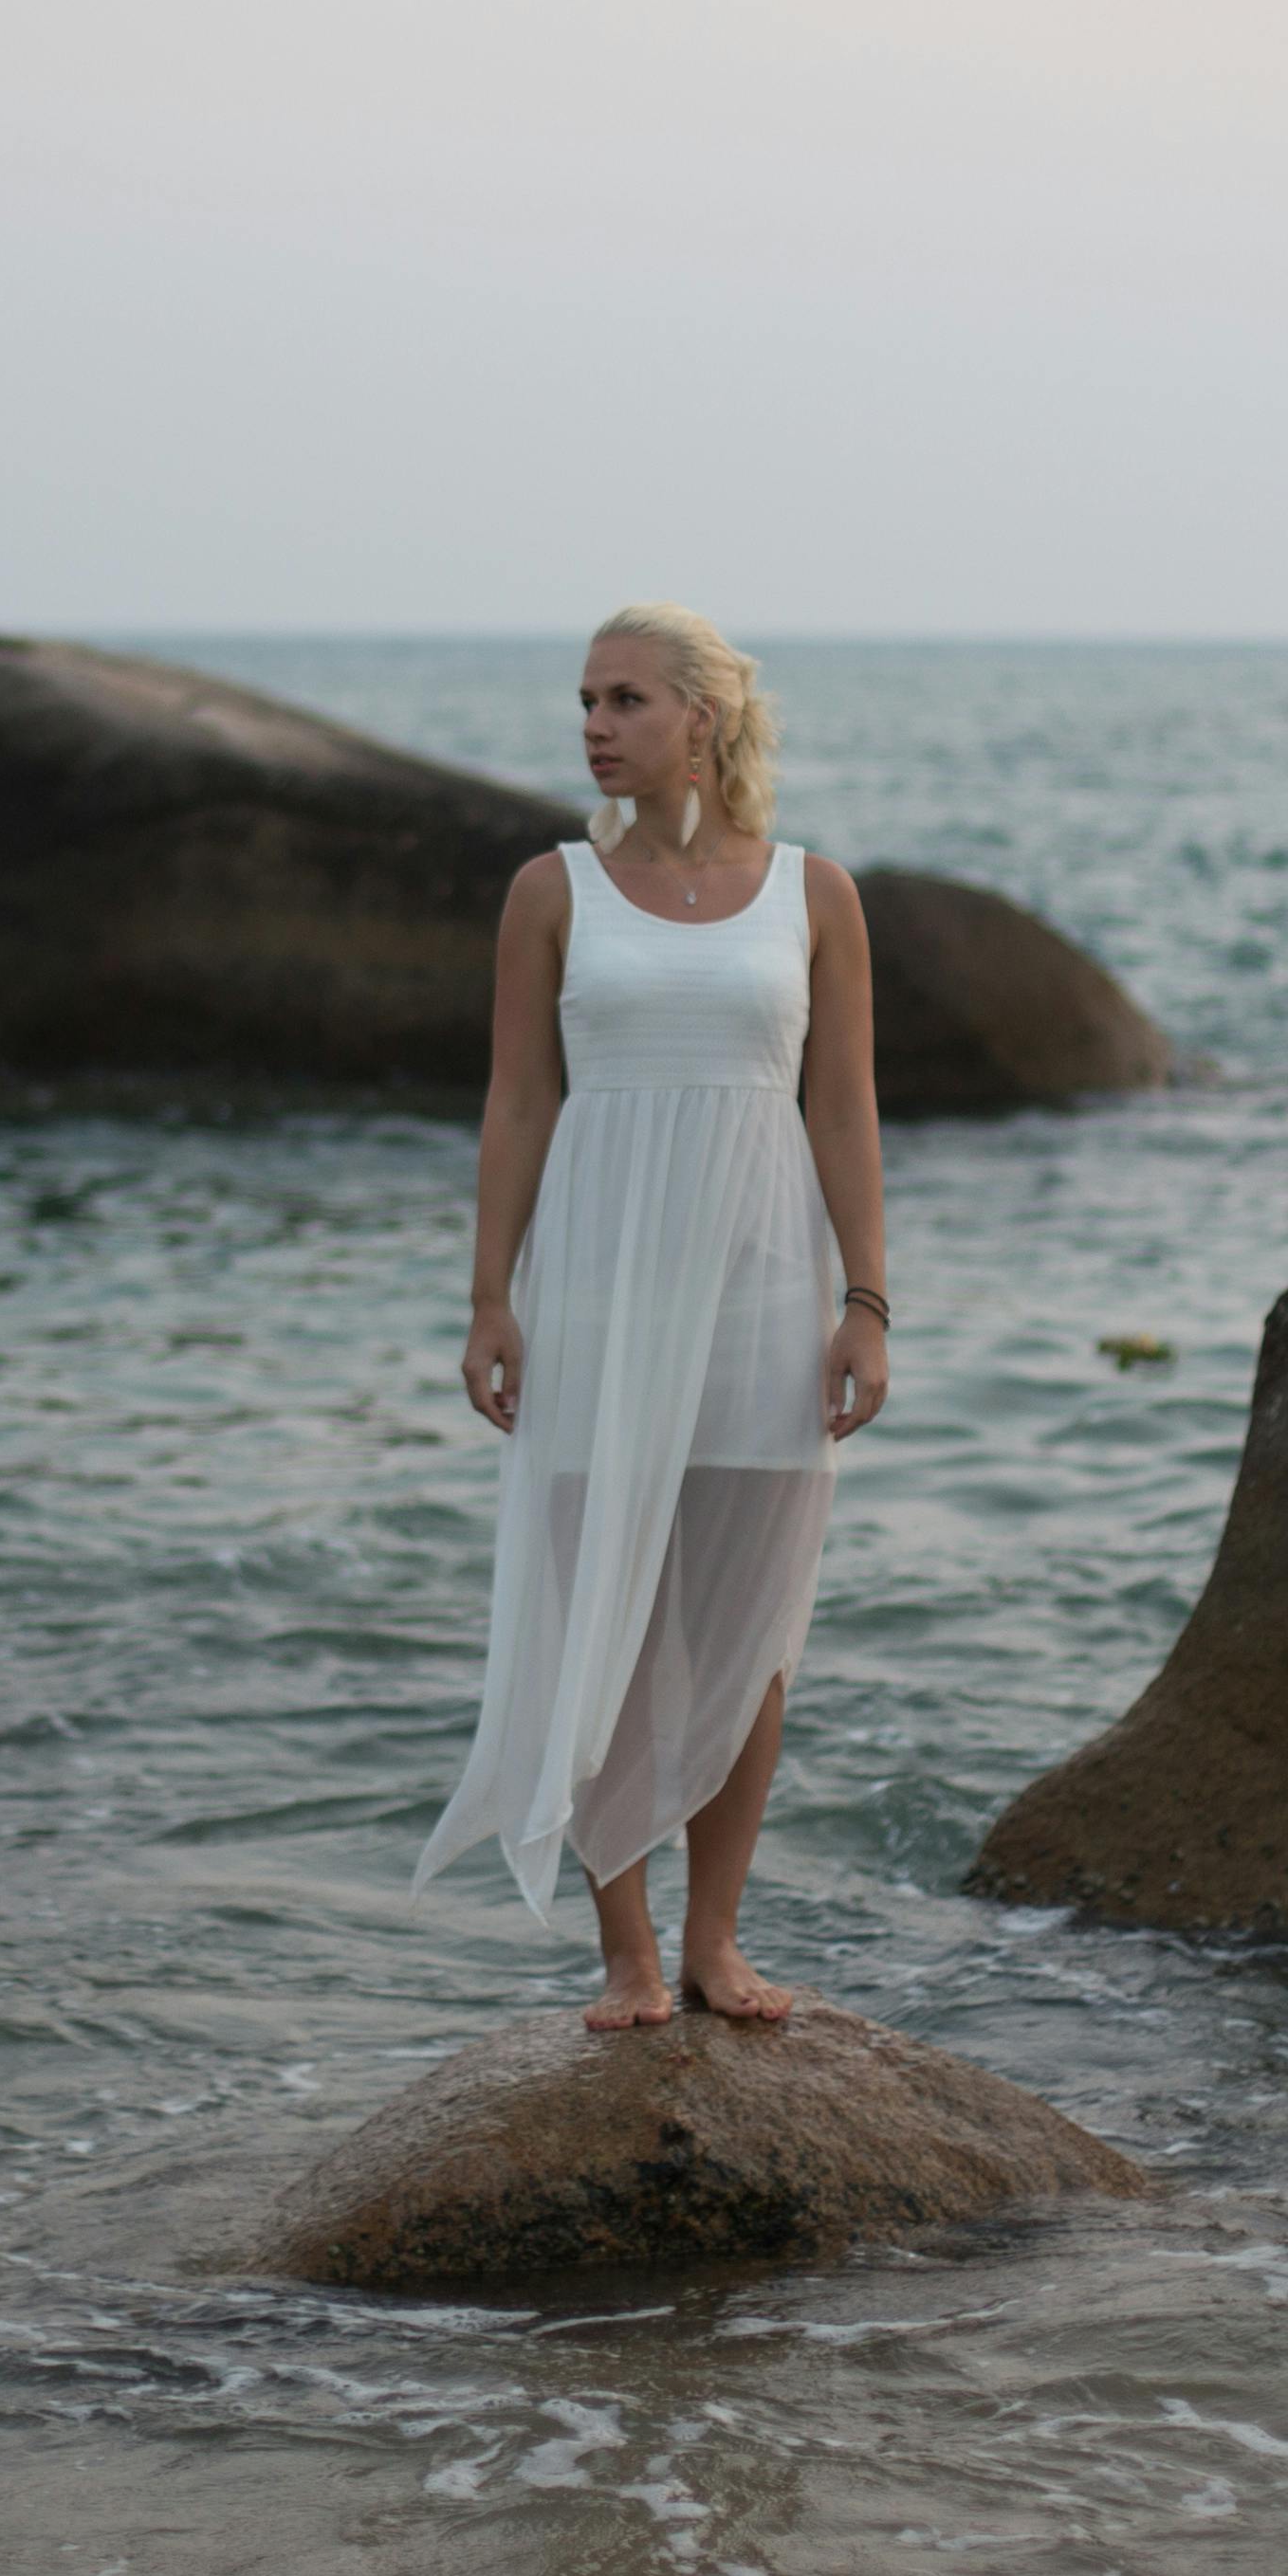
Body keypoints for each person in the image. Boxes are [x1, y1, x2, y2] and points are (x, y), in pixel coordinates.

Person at [416, 603, 890, 2031]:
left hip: (763, 1283)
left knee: (750, 1630)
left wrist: (866, 1300)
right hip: (599, 1283)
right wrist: (490, 1294)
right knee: (601, 1610)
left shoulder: (816, 894)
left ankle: (716, 1942)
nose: (595, 724)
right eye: (586, 699)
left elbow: (844, 1105)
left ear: (703, 716)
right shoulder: (551, 891)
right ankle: (627, 1956)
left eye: (625, 698)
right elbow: (517, 1102)